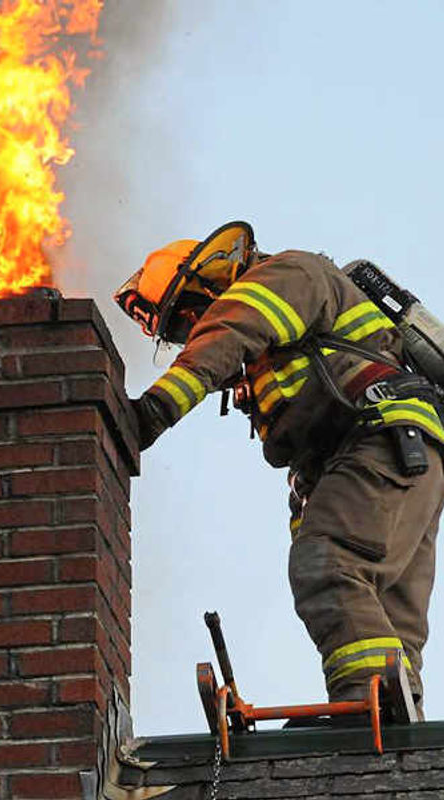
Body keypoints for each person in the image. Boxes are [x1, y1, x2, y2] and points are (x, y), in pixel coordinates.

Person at [115, 220, 444, 715]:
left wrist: (147, 416)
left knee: (329, 566)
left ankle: (365, 704)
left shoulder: (285, 275)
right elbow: (308, 463)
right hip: (400, 454)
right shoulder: (274, 355)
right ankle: (393, 726)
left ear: (210, 276)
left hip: (382, 440)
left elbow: (228, 332)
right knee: (387, 611)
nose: (191, 329)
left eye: (185, 316)